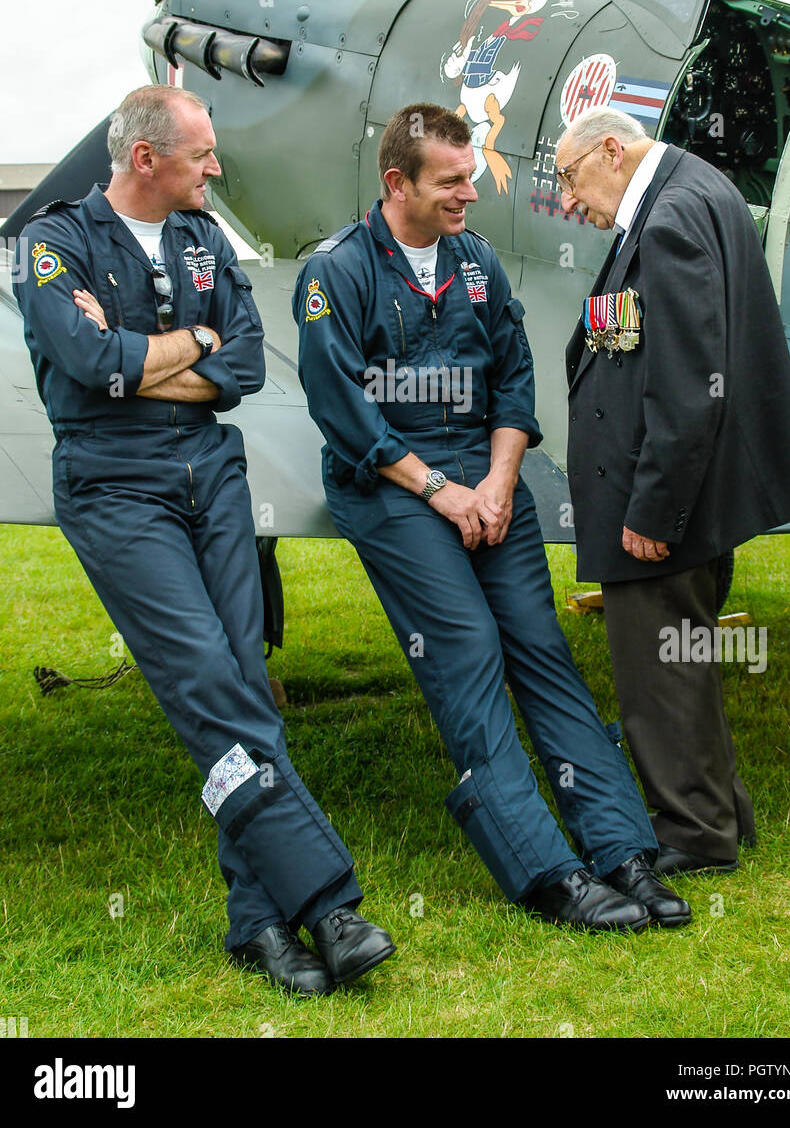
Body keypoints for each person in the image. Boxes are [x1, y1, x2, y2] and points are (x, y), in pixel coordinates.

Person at [13, 84, 394, 996]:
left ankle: (256, 923)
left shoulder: (201, 235)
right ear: (146, 158)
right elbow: (88, 368)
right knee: (207, 685)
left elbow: (246, 362)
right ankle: (327, 903)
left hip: (212, 475)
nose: (217, 168)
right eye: (201, 155)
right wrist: (197, 339)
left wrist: (155, 357)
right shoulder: (54, 240)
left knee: (242, 682)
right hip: (113, 483)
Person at [293, 101, 691, 933]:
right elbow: (340, 408)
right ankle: (547, 872)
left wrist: (501, 482)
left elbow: (513, 375)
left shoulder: (475, 261)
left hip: (487, 472)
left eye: (470, 176)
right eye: (451, 181)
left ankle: (620, 851)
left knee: (539, 647)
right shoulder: (335, 270)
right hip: (390, 481)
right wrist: (441, 490)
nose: (468, 195)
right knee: (467, 651)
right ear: (396, 183)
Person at [555, 107, 790, 876]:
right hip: (684, 491)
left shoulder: (669, 218)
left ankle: (693, 836)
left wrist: (651, 510)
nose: (567, 199)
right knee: (689, 658)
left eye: (570, 177)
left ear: (612, 149)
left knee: (657, 675)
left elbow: (685, 387)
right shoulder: (695, 189)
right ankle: (720, 811)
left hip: (660, 501)